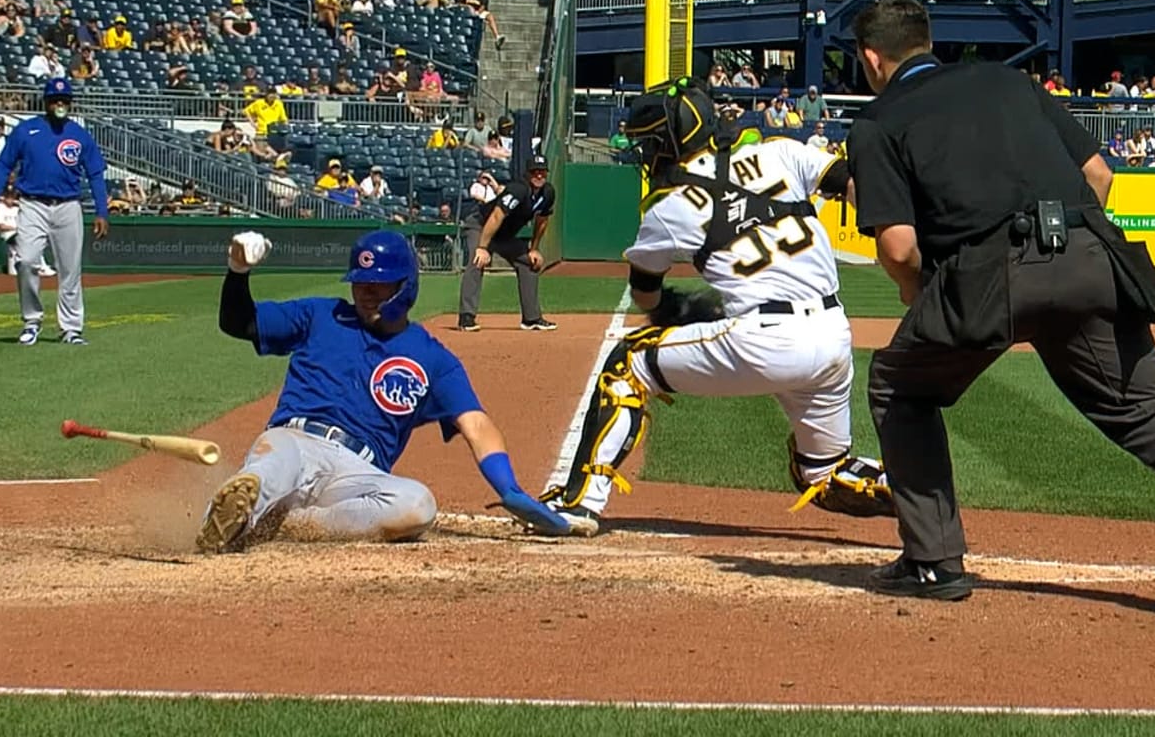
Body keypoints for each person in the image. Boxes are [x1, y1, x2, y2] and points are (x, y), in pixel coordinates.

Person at [845, 0, 1155, 608]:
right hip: (1088, 250)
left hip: (984, 270)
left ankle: (934, 562)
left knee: (901, 387)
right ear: (926, 40)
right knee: (1144, 403)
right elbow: (1100, 175)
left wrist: (921, 296)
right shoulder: (1010, 81)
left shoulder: (876, 122)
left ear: (872, 59)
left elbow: (899, 249)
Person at [538, 76, 892, 531]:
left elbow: (645, 291)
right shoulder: (779, 151)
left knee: (629, 362)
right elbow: (852, 182)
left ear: (671, 143)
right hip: (834, 335)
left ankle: (578, 502)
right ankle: (918, 494)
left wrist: (671, 311)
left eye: (652, 146)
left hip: (764, 341)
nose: (649, 156)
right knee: (823, 474)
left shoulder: (669, 208)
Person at [196, 229, 589, 552]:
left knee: (417, 505)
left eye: (379, 284)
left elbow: (476, 423)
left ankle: (292, 524)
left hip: (358, 472)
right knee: (270, 467)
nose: (366, 292)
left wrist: (510, 488)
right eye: (361, 283)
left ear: (406, 286)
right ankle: (228, 521)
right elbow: (238, 322)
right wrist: (237, 269)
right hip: (295, 440)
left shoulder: (432, 358)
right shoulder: (320, 315)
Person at [0, 77, 111, 345]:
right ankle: (32, 320)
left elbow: (96, 174)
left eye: (64, 100)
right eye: (55, 99)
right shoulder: (26, 130)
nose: (60, 104)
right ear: (46, 101)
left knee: (70, 269)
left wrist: (102, 211)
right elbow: (4, 165)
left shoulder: (79, 134)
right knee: (27, 260)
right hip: (32, 204)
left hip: (68, 205)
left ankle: (71, 328)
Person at [457, 156, 556, 332]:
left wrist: (534, 249)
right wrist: (482, 247)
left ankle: (531, 318)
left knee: (529, 263)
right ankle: (466, 317)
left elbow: (542, 221)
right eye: (535, 172)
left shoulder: (547, 193)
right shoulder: (518, 189)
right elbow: (496, 216)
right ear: (528, 173)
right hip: (481, 225)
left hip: (503, 235)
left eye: (542, 172)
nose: (538, 175)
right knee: (477, 260)